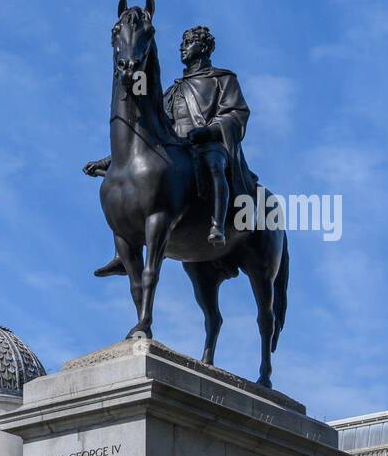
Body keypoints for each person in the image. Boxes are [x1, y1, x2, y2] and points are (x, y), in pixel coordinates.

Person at [85, 23, 259, 271]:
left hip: (208, 144)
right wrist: (110, 159)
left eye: (189, 42)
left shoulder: (223, 79)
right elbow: (149, 132)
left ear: (204, 47)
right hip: (177, 148)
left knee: (215, 166)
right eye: (183, 42)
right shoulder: (172, 91)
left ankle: (217, 224)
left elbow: (236, 113)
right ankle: (122, 256)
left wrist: (209, 131)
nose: (183, 47)